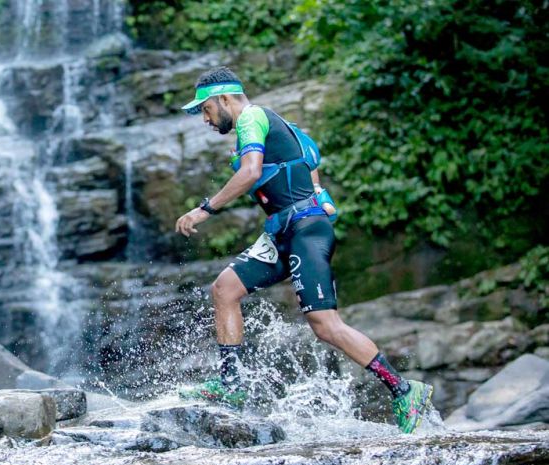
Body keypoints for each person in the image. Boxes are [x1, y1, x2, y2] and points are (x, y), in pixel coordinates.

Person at [173, 66, 433, 434]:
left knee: (325, 326)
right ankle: (231, 386)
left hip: (305, 232)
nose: (205, 118)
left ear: (224, 99)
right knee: (225, 289)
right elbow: (311, 171)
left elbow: (250, 173)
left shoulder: (252, 117)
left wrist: (204, 209)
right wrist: (320, 201)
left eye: (206, 108)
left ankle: (406, 390)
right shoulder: (283, 127)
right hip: (286, 230)